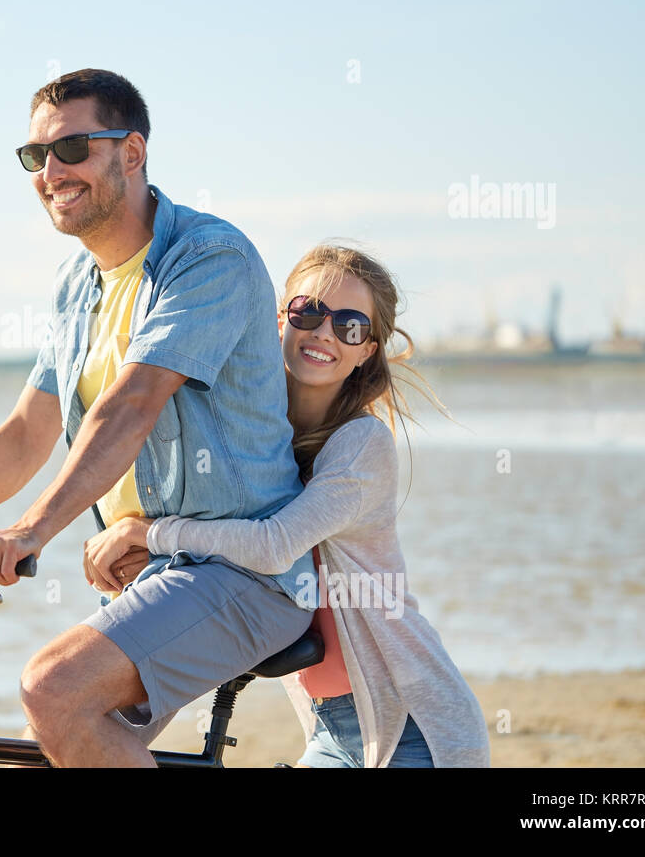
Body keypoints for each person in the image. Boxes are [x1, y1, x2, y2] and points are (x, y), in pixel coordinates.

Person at [0, 68, 316, 767]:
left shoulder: (208, 257)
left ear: (132, 153)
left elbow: (134, 403)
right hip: (153, 571)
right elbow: (26, 433)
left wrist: (31, 532)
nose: (51, 170)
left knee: (53, 689)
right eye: (36, 156)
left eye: (73, 148)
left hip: (246, 574)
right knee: (60, 742)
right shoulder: (76, 284)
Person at [84, 243, 492, 767]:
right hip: (330, 731)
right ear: (280, 319)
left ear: (367, 349)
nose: (324, 333)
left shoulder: (361, 443)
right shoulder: (252, 440)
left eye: (349, 326)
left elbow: (275, 547)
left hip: (412, 729)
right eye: (309, 312)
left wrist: (150, 532)